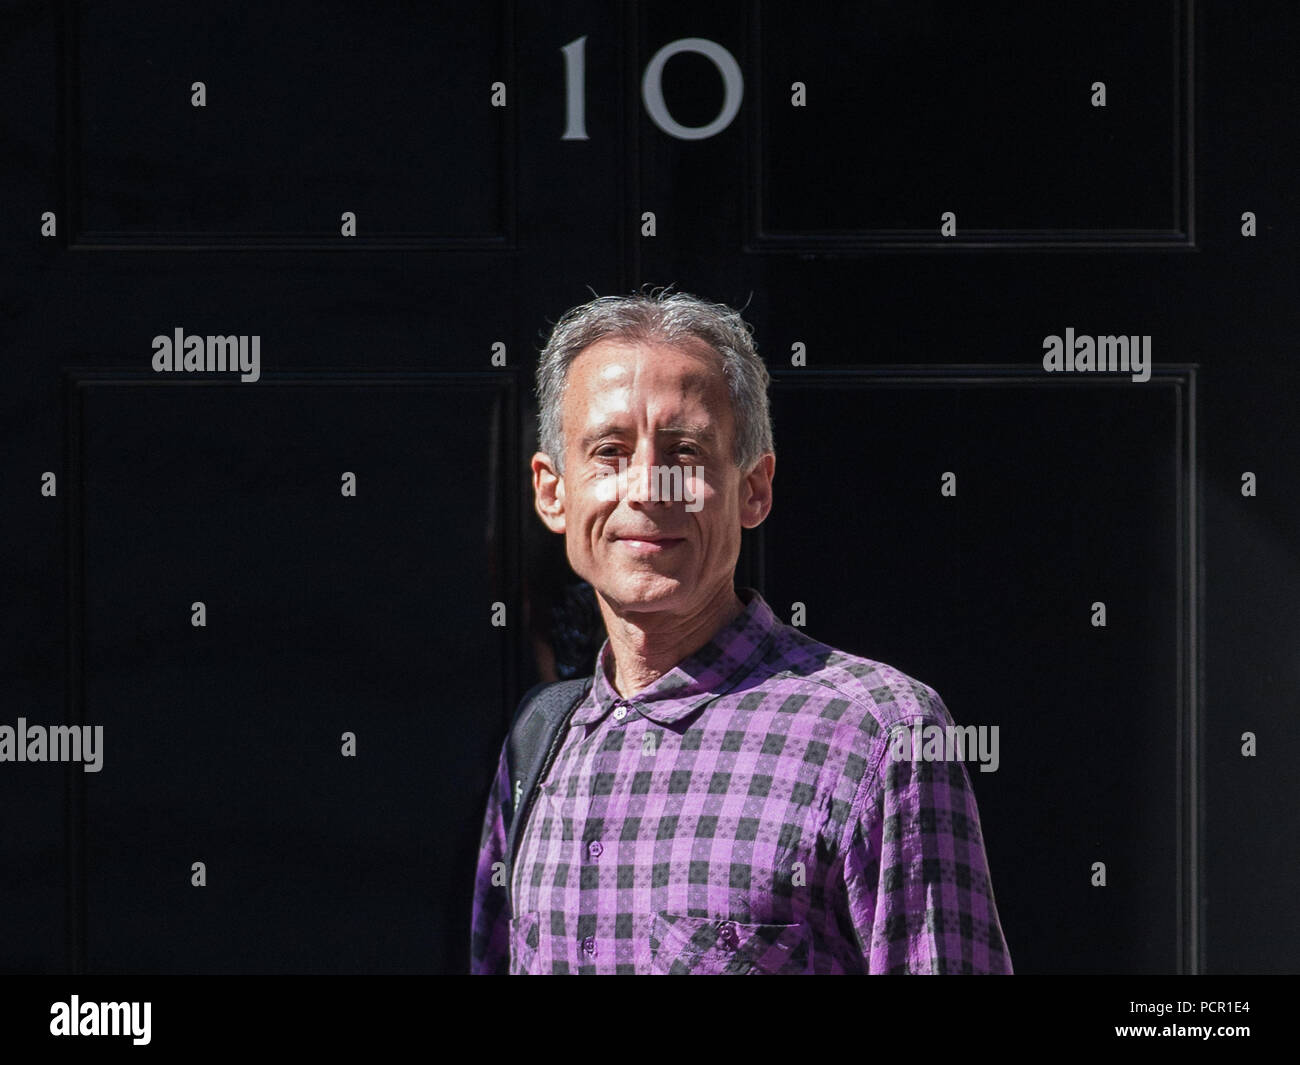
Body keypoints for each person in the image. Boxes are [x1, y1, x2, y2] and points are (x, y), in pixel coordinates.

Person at [470, 288, 1012, 974]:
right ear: (553, 491)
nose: (646, 488)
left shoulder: (879, 733)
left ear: (753, 487)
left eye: (685, 450)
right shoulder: (538, 742)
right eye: (609, 450)